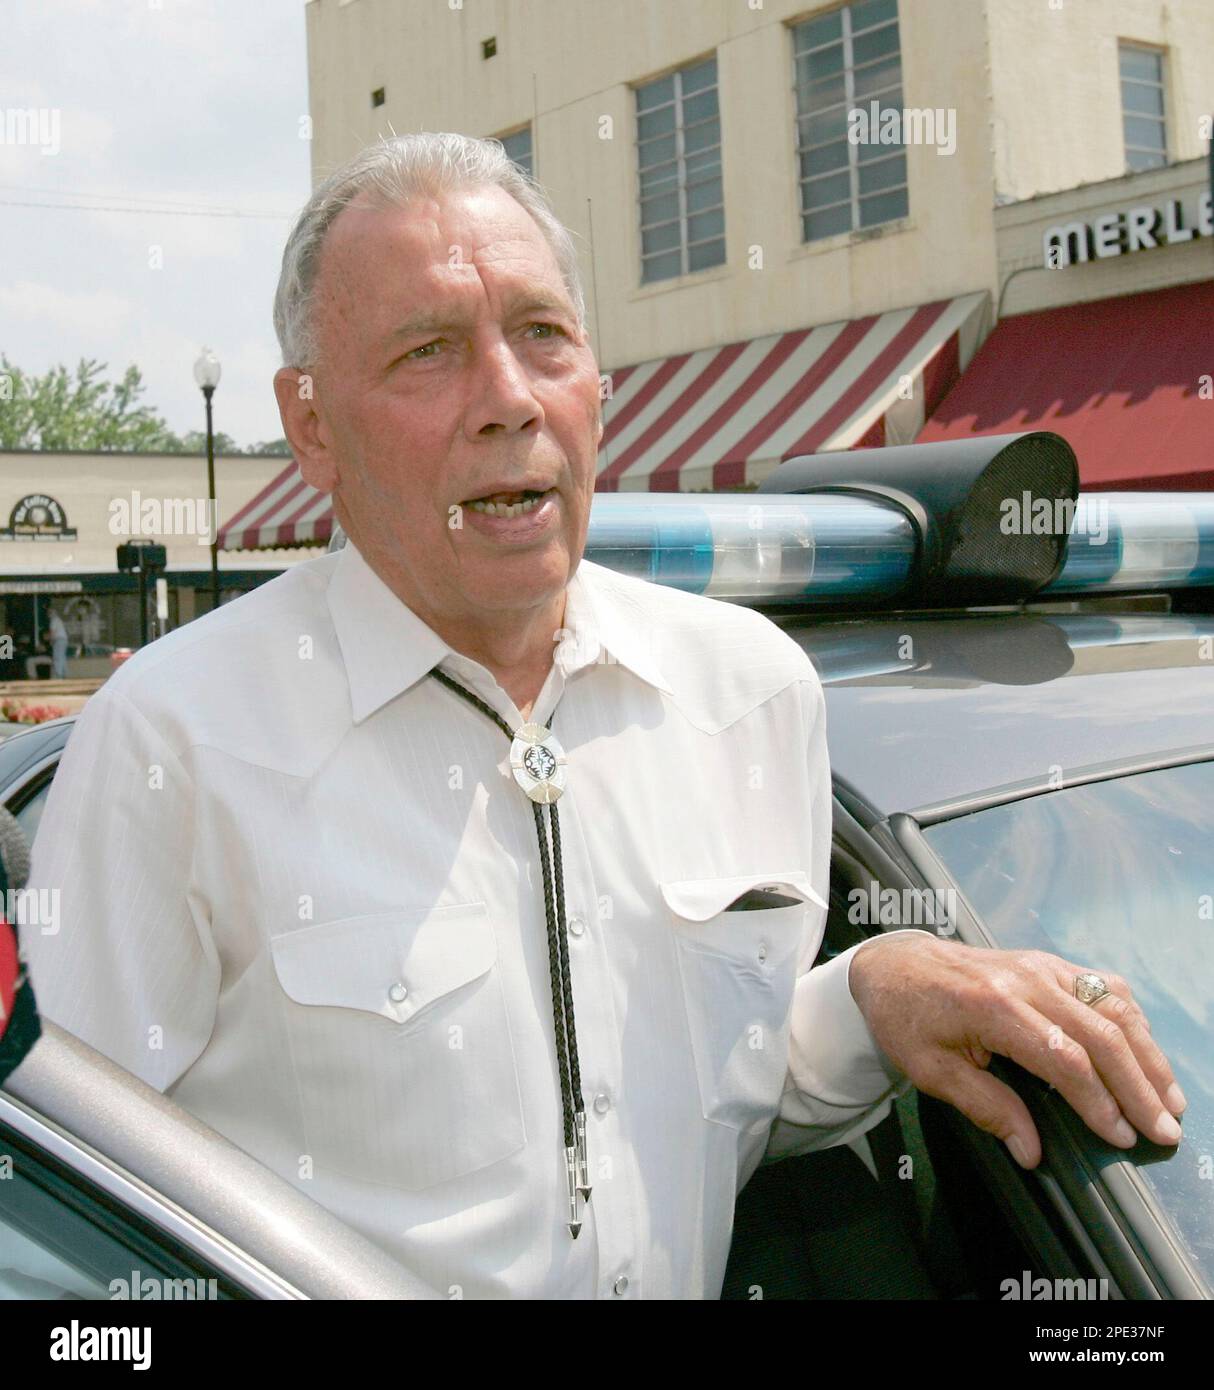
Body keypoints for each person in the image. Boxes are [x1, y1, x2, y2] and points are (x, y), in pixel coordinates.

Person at [23, 133, 1185, 1300]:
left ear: (596, 378)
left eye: (543, 336)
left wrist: (873, 994)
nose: (509, 400)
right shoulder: (172, 743)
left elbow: (690, 1097)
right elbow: (54, 1208)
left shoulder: (748, 693)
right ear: (311, 423)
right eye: (428, 351)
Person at [46, 608, 68, 679]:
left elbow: (52, 632)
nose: (48, 615)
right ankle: (64, 675)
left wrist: (50, 641)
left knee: (57, 658)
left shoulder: (54, 620)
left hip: (59, 640)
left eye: (49, 613)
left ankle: (59, 676)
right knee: (62, 657)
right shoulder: (58, 619)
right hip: (63, 640)